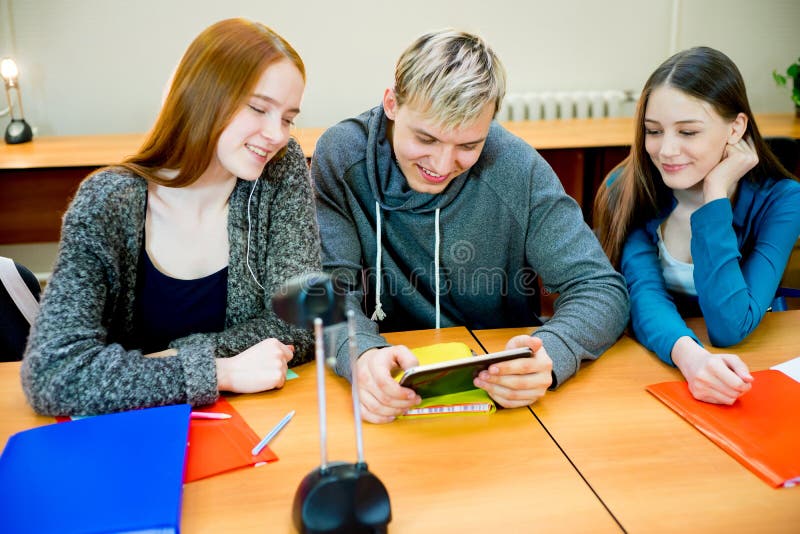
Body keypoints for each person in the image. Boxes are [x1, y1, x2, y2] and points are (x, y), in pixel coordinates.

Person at [313, 29, 629, 423]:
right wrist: (360, 353)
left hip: (501, 396)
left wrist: (550, 351)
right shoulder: (341, 156)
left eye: (468, 146)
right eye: (426, 138)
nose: (442, 165)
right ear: (391, 103)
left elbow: (600, 288)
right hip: (392, 385)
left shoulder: (517, 166)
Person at [21, 18, 321, 416]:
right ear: (203, 97)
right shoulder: (108, 201)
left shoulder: (280, 170)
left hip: (252, 419)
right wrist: (220, 371)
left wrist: (165, 361)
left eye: (287, 118)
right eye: (258, 108)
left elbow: (301, 323)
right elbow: (54, 372)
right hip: (138, 433)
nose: (277, 134)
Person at [594, 46, 800, 405]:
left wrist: (714, 196)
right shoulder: (627, 189)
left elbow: (730, 326)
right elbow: (644, 295)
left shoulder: (784, 200)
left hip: (746, 366)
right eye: (653, 131)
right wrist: (692, 359)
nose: (666, 150)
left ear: (736, 128)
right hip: (654, 360)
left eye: (688, 132)